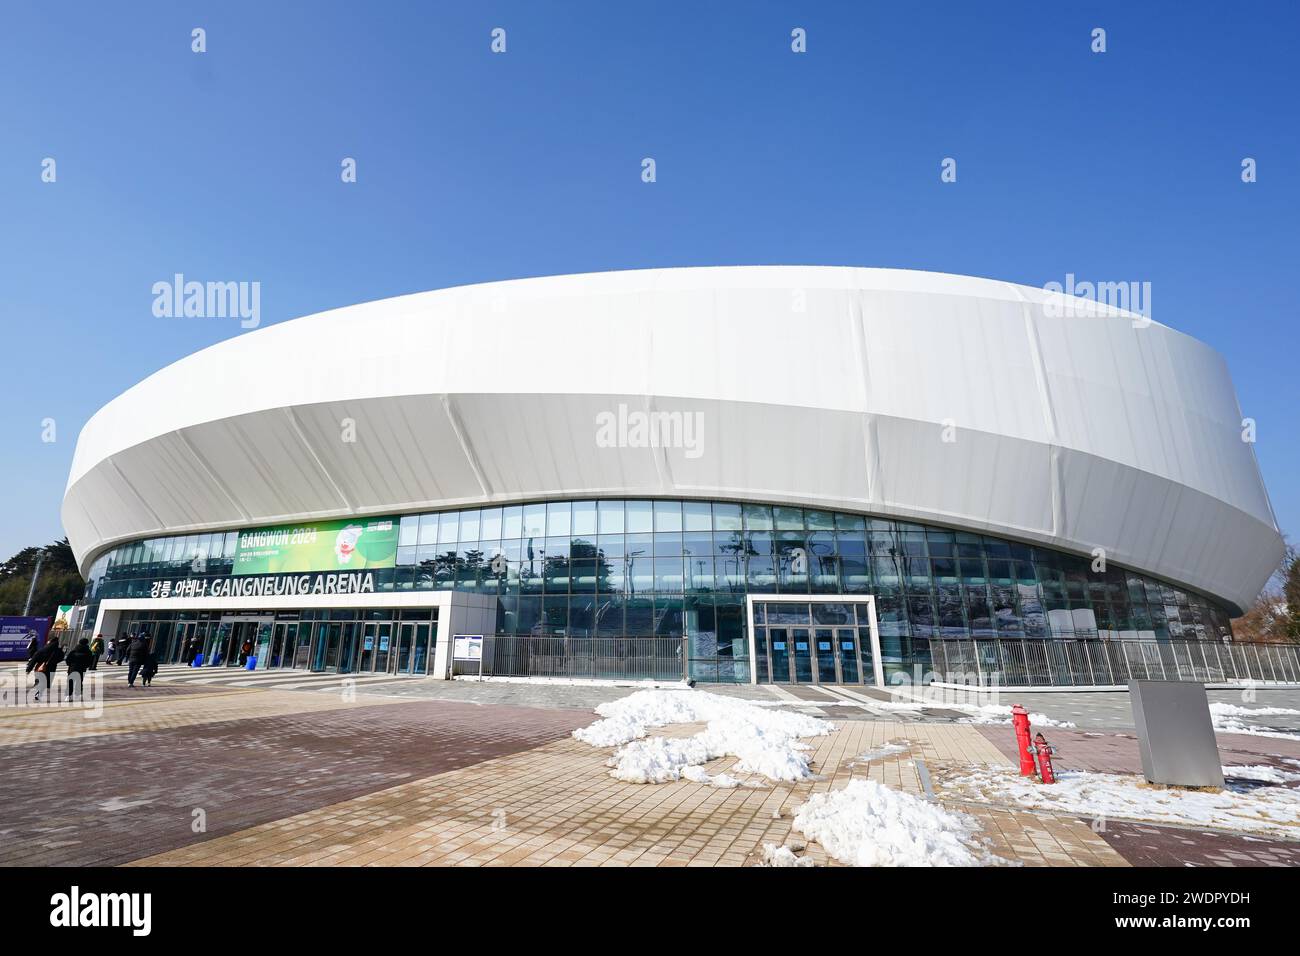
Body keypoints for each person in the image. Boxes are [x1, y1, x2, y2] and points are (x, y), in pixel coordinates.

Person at [26, 637, 63, 702]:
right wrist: (54, 662)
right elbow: (60, 658)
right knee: (45, 683)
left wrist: (29, 669)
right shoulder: (58, 650)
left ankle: (37, 684)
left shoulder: (44, 649)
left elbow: (34, 658)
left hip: (40, 667)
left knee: (40, 680)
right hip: (51, 669)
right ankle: (38, 694)